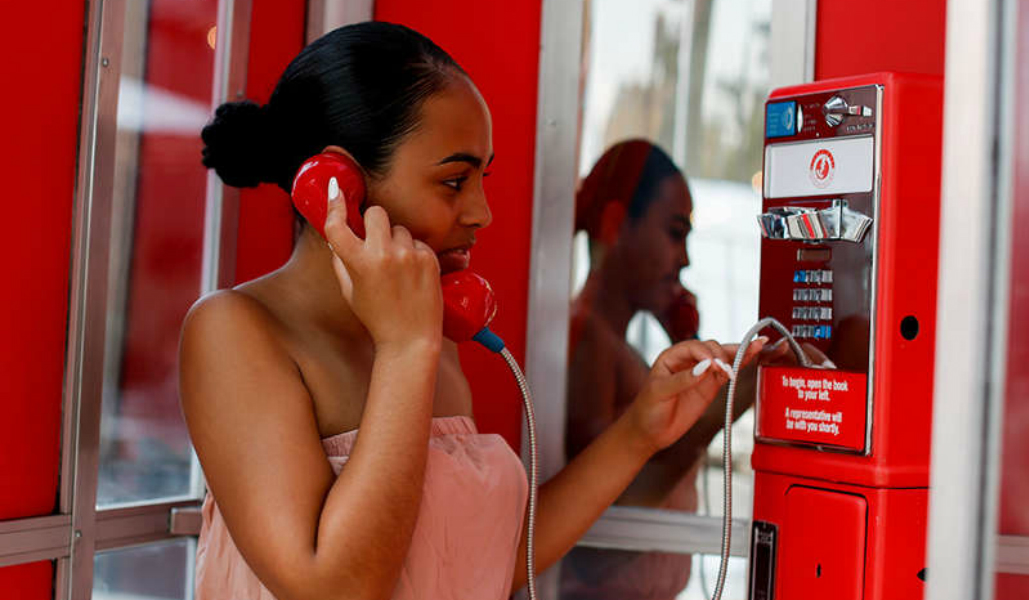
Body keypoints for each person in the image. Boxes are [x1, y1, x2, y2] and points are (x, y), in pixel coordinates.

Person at [179, 22, 763, 600]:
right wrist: (405, 350)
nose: (481, 211)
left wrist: (639, 431)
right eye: (455, 181)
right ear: (337, 187)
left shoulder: (431, 335)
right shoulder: (234, 332)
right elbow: (336, 587)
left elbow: (486, 561)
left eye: (482, 177)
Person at [562, 140, 770, 600]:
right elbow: (603, 518)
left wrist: (684, 343)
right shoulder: (588, 339)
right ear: (617, 225)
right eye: (676, 233)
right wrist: (727, 401)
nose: (686, 259)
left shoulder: (614, 344)